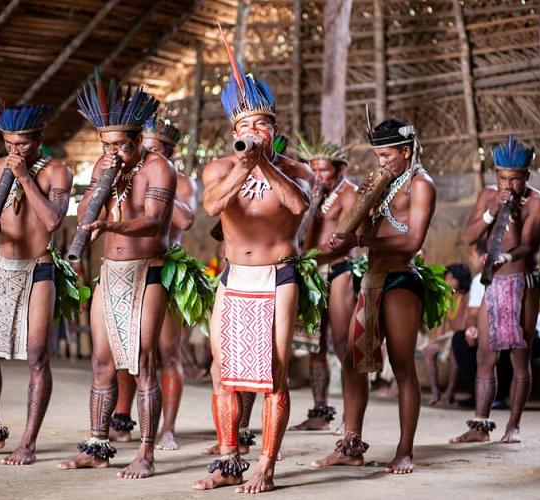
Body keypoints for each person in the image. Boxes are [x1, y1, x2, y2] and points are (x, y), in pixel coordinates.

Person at [192, 32, 314, 494]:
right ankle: (227, 461)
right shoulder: (220, 169)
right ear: (234, 131)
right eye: (247, 126)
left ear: (274, 126)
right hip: (234, 277)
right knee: (222, 371)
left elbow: (299, 206)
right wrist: (245, 166)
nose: (254, 133)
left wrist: (265, 164)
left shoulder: (295, 169)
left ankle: (266, 462)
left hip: (278, 276)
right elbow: (211, 207)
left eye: (262, 124)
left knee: (275, 372)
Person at [57, 71, 176, 479]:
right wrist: (103, 181)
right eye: (107, 146)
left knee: (143, 362)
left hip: (148, 271)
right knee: (102, 364)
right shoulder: (104, 167)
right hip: (112, 273)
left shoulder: (159, 168)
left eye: (121, 146)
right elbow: (85, 213)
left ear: (138, 141)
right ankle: (97, 446)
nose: (114, 153)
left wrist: (111, 227)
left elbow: (154, 222)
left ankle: (146, 451)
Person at [312, 117, 439, 474]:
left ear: (406, 150)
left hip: (401, 280)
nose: (382, 162)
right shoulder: (385, 183)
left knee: (402, 368)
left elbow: (413, 241)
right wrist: (366, 206)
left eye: (387, 155)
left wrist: (360, 241)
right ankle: (350, 446)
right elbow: (367, 229)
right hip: (373, 278)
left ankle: (404, 451)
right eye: (378, 156)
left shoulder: (420, 184)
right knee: (354, 364)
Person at [0, 96, 73, 465]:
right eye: (8, 144)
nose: (13, 150)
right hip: (4, 268)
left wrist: (23, 176)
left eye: (21, 144)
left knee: (37, 355)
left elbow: (53, 220)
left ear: (39, 139)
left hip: (38, 270)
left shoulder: (57, 171)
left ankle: (29, 442)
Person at [108, 116, 197, 453]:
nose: (146, 152)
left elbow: (186, 219)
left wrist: (162, 183)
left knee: (166, 352)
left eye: (155, 149)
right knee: (126, 350)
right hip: (128, 268)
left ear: (170, 153)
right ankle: (122, 417)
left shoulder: (182, 181)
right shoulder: (127, 175)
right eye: (143, 146)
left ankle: (168, 429)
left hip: (166, 269)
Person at [289, 134, 358, 431]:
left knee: (343, 344)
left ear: (340, 170)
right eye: (313, 169)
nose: (317, 176)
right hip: (312, 274)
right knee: (316, 346)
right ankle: (320, 412)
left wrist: (316, 251)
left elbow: (352, 237)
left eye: (324, 170)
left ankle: (350, 415)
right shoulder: (309, 194)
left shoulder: (350, 193)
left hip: (338, 271)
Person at [452, 240, 540, 408]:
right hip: (499, 332)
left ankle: (497, 397)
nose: (470, 259)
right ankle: (481, 394)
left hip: (533, 337)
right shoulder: (480, 279)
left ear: (485, 257)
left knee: (504, 341)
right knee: (461, 340)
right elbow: (472, 315)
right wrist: (472, 329)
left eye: (473, 255)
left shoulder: (518, 276)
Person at [423, 263, 471, 406]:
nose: (448, 282)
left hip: (461, 335)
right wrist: (438, 341)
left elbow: (466, 322)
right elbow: (442, 322)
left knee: (454, 352)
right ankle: (435, 392)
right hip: (449, 336)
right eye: (447, 278)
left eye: (452, 278)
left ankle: (449, 392)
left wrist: (454, 341)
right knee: (428, 351)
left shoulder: (467, 296)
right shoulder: (447, 296)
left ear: (461, 279)